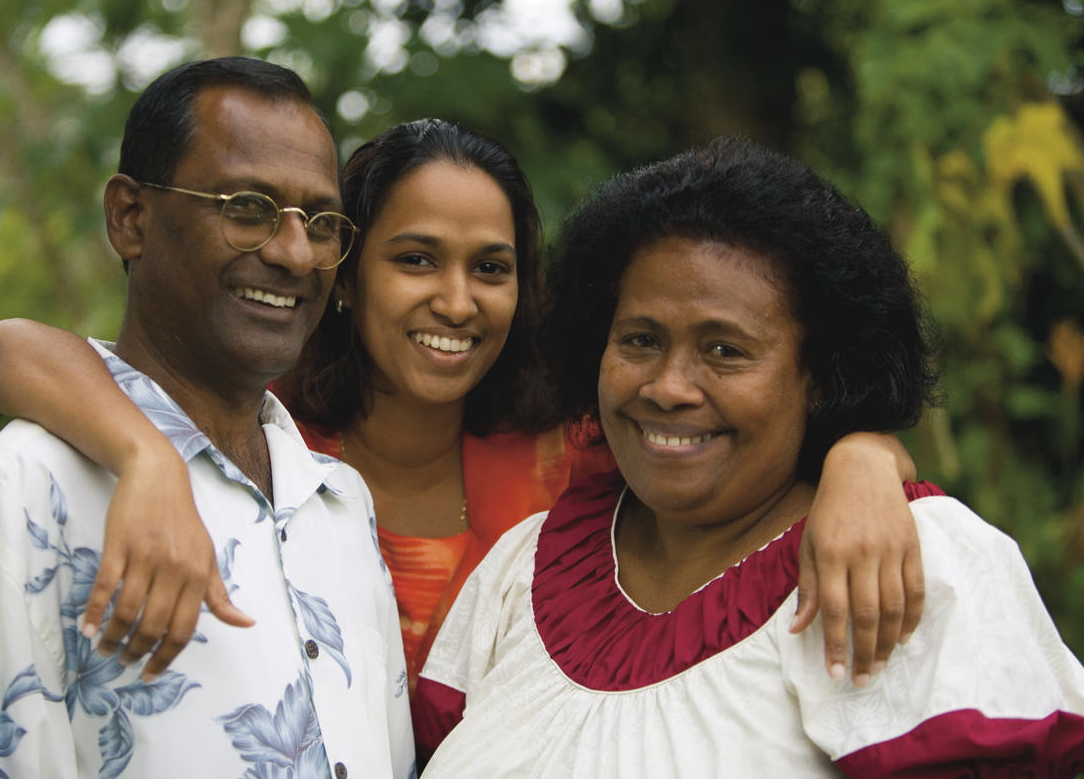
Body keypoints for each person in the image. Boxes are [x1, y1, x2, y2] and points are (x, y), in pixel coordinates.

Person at [0, 121, 925, 712]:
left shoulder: (579, 455)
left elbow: (749, 446)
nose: (458, 301)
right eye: (417, 259)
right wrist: (145, 457)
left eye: (491, 268)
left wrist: (866, 458)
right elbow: (3, 345)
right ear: (345, 275)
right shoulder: (270, 441)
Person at [414, 136, 1084, 777]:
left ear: (820, 375)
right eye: (640, 339)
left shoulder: (909, 558)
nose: (668, 386)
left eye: (724, 350)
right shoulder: (520, 570)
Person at [0, 57, 414, 779]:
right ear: (130, 218)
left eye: (321, 223)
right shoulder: (22, 496)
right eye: (246, 208)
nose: (295, 253)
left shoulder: (339, 504)